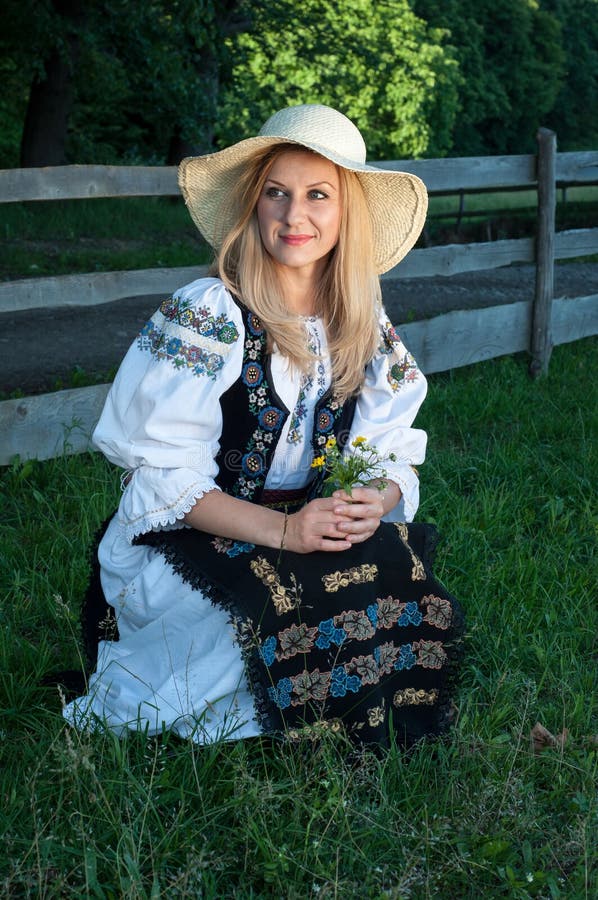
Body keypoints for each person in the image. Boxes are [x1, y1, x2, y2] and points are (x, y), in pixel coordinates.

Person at [63, 104, 463, 748]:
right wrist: (284, 531)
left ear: (346, 212)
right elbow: (165, 478)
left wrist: (373, 501)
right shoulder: (212, 314)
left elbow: (391, 450)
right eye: (276, 192)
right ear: (254, 204)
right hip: (198, 537)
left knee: (386, 562)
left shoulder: (361, 323)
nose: (292, 214)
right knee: (264, 612)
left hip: (307, 527)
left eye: (317, 195)